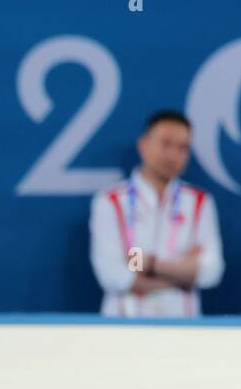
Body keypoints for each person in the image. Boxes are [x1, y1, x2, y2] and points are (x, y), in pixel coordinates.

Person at [89, 110, 224, 318]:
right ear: (143, 145)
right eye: (166, 144)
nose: (173, 155)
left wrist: (148, 264)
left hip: (183, 326)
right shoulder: (111, 201)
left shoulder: (199, 202)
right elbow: (112, 274)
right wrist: (183, 271)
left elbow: (210, 273)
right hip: (123, 325)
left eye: (183, 148)